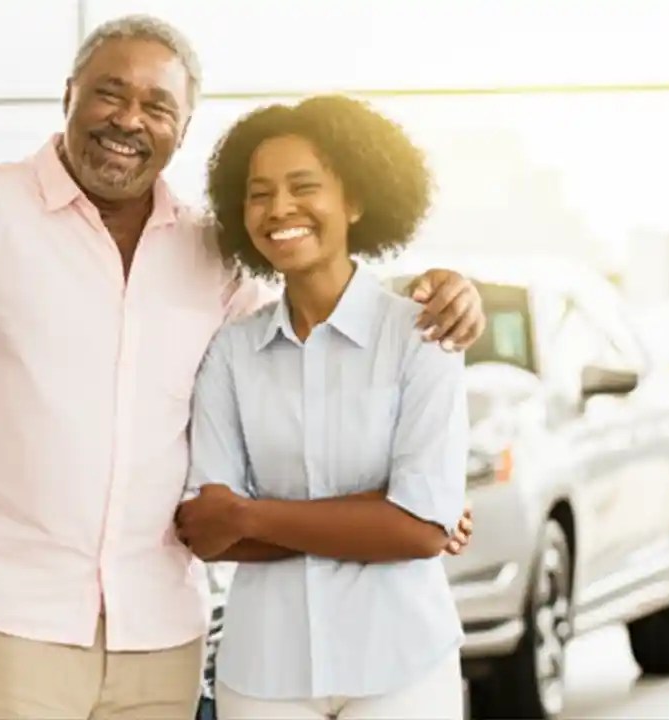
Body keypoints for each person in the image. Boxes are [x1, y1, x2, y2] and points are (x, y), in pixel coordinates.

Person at [0, 15, 481, 719]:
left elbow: (315, 329)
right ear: (69, 95)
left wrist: (413, 500)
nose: (129, 120)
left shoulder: (211, 254)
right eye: (109, 93)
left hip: (159, 631)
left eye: (158, 107)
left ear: (182, 130)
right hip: (8, 620)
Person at [174, 95, 469, 719]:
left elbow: (420, 529)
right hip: (265, 672)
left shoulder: (424, 335)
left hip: (402, 661)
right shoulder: (231, 352)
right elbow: (209, 529)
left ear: (355, 201)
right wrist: (378, 515)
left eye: (303, 186)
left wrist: (252, 515)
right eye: (259, 193)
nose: (279, 208)